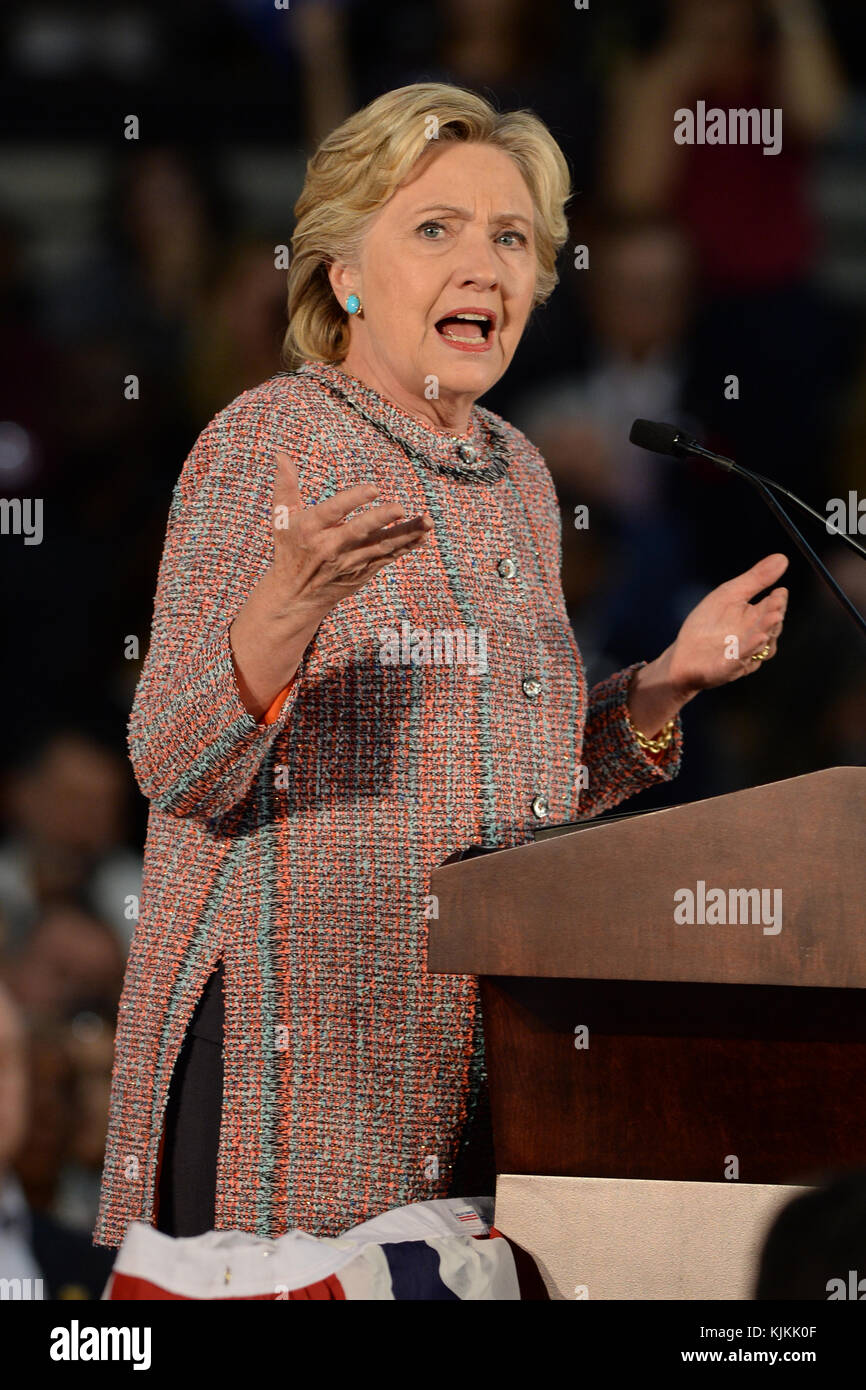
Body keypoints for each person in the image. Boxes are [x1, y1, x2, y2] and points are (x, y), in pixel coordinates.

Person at [94, 82, 788, 1250]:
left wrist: (662, 684)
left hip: (468, 1060)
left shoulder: (517, 474)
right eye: (435, 229)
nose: (485, 263)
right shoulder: (273, 436)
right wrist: (285, 607)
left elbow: (519, 786)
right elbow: (171, 755)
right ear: (341, 276)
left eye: (510, 238)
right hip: (292, 1058)